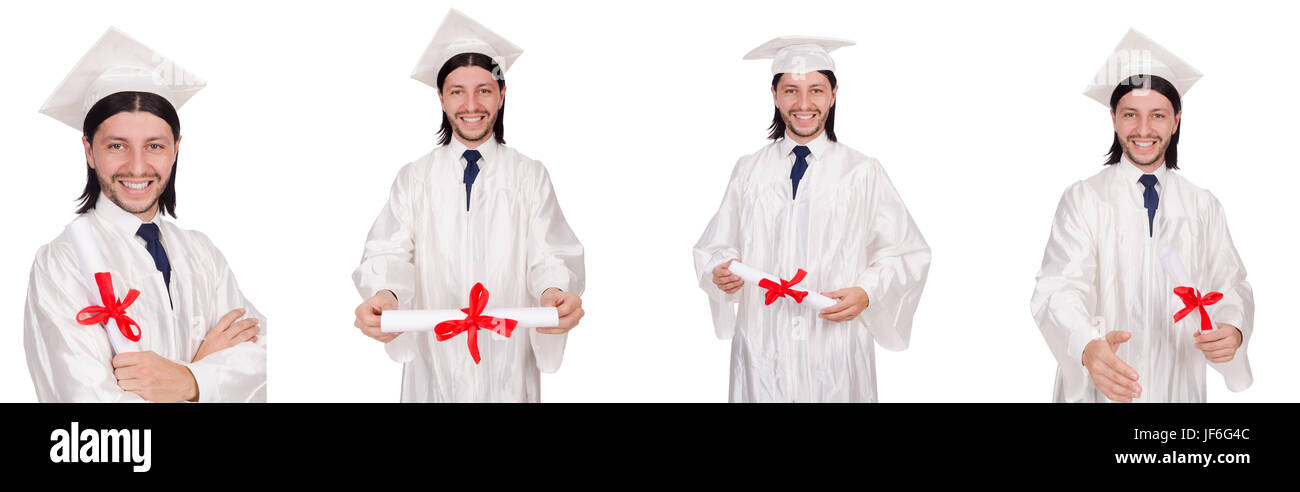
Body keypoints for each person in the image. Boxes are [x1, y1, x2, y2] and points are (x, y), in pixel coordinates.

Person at [352, 9, 584, 402]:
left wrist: (552, 292)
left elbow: (549, 252)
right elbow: (389, 252)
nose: (471, 104)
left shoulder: (529, 176)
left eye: (484, 89)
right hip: (434, 365)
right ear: (441, 97)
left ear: (502, 95)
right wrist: (386, 296)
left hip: (508, 363)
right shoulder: (415, 178)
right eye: (457, 90)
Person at [24, 27, 266, 402]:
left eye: (154, 145)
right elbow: (89, 409)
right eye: (117, 145)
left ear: (175, 149)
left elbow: (265, 361)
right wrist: (210, 375)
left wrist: (188, 380)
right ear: (89, 151)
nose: (137, 167)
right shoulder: (63, 262)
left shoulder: (203, 254)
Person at [692, 36, 931, 402]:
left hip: (834, 351)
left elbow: (905, 251)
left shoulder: (861, 172)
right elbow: (715, 246)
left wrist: (868, 291)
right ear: (774, 95)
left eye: (816, 90)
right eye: (791, 91)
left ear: (834, 94)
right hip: (762, 347)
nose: (804, 104)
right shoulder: (749, 171)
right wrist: (721, 272)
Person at [1031, 29, 1253, 403]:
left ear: (1176, 120)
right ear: (1114, 118)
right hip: (1101, 390)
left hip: (1178, 390)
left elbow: (1232, 285)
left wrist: (1234, 329)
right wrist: (1087, 346)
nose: (1144, 130)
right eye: (1131, 114)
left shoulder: (1202, 206)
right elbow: (1058, 288)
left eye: (1158, 115)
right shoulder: (1084, 199)